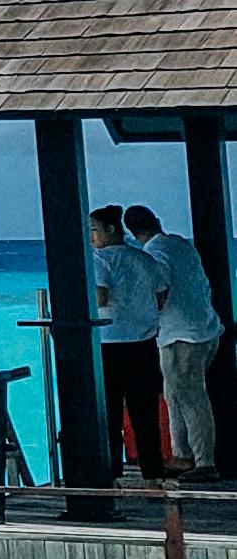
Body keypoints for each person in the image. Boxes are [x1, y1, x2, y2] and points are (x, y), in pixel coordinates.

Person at [125, 205, 222, 481]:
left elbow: (160, 292)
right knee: (175, 396)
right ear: (157, 221)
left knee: (190, 398)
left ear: (131, 233)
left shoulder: (154, 254)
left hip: (181, 335)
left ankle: (204, 462)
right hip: (205, 328)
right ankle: (182, 455)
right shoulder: (180, 245)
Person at [90, 204, 166, 477]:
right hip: (144, 343)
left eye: (94, 230)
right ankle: (153, 475)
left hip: (109, 344)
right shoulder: (145, 259)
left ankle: (110, 474)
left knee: (109, 413)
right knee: (145, 415)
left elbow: (100, 297)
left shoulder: (99, 260)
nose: (91, 237)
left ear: (111, 230)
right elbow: (160, 296)